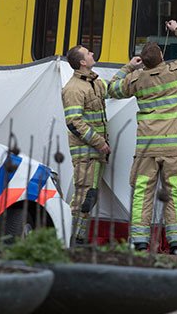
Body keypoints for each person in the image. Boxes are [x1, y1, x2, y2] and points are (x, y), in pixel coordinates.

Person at [108, 20, 177, 254]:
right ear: (162, 55)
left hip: (146, 149)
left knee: (142, 192)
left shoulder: (137, 79)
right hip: (174, 148)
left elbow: (111, 88)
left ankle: (140, 242)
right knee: (174, 192)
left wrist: (130, 67)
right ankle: (175, 242)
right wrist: (176, 29)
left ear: (144, 61)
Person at [62, 44, 112, 245]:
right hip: (85, 152)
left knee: (89, 195)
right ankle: (73, 239)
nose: (92, 53)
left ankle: (79, 238)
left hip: (95, 152)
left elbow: (111, 88)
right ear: (82, 62)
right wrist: (100, 142)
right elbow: (74, 122)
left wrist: (131, 68)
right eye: (88, 53)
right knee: (83, 195)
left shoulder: (94, 82)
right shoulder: (73, 89)